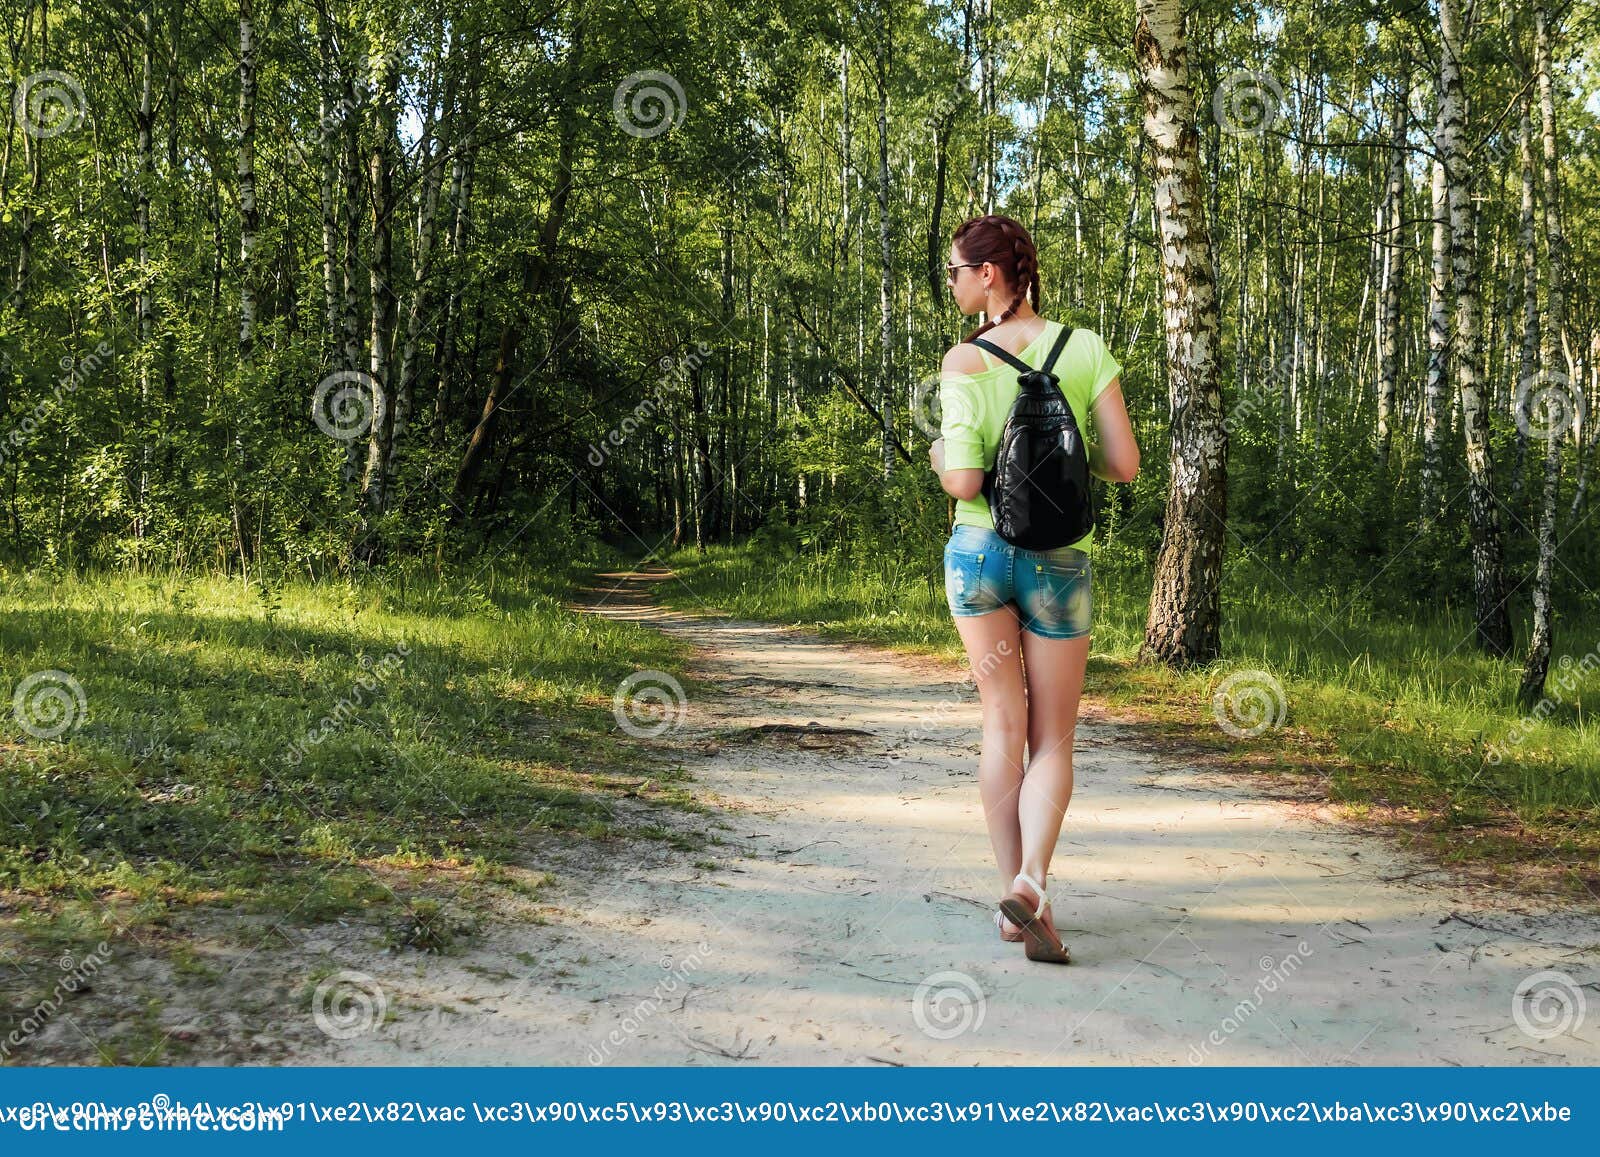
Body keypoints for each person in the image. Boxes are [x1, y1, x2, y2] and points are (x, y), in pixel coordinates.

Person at [929, 213, 1140, 964]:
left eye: (955, 268)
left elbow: (960, 479)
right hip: (1059, 563)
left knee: (1000, 725)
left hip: (979, 556)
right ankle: (1033, 880)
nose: (950, 280)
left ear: (989, 275)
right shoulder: (1084, 349)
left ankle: (1014, 911)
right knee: (1053, 737)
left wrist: (937, 454)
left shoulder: (962, 361)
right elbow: (1123, 463)